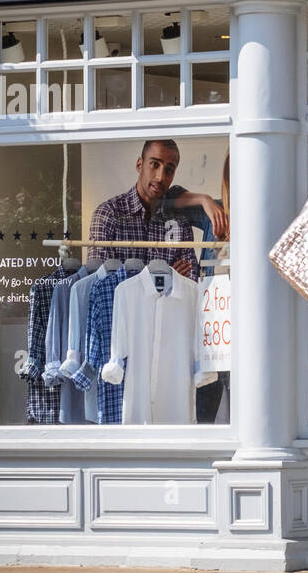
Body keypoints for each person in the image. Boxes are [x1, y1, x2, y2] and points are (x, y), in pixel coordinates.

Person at [88, 139, 225, 279]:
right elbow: (99, 284)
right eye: (154, 164)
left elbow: (190, 281)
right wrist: (166, 277)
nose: (160, 177)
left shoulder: (179, 221)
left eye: (169, 170)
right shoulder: (108, 214)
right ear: (139, 165)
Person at [163, 152, 231, 423]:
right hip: (213, 332)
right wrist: (204, 200)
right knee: (205, 417)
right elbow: (168, 199)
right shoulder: (213, 214)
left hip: (246, 333)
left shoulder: (263, 219)